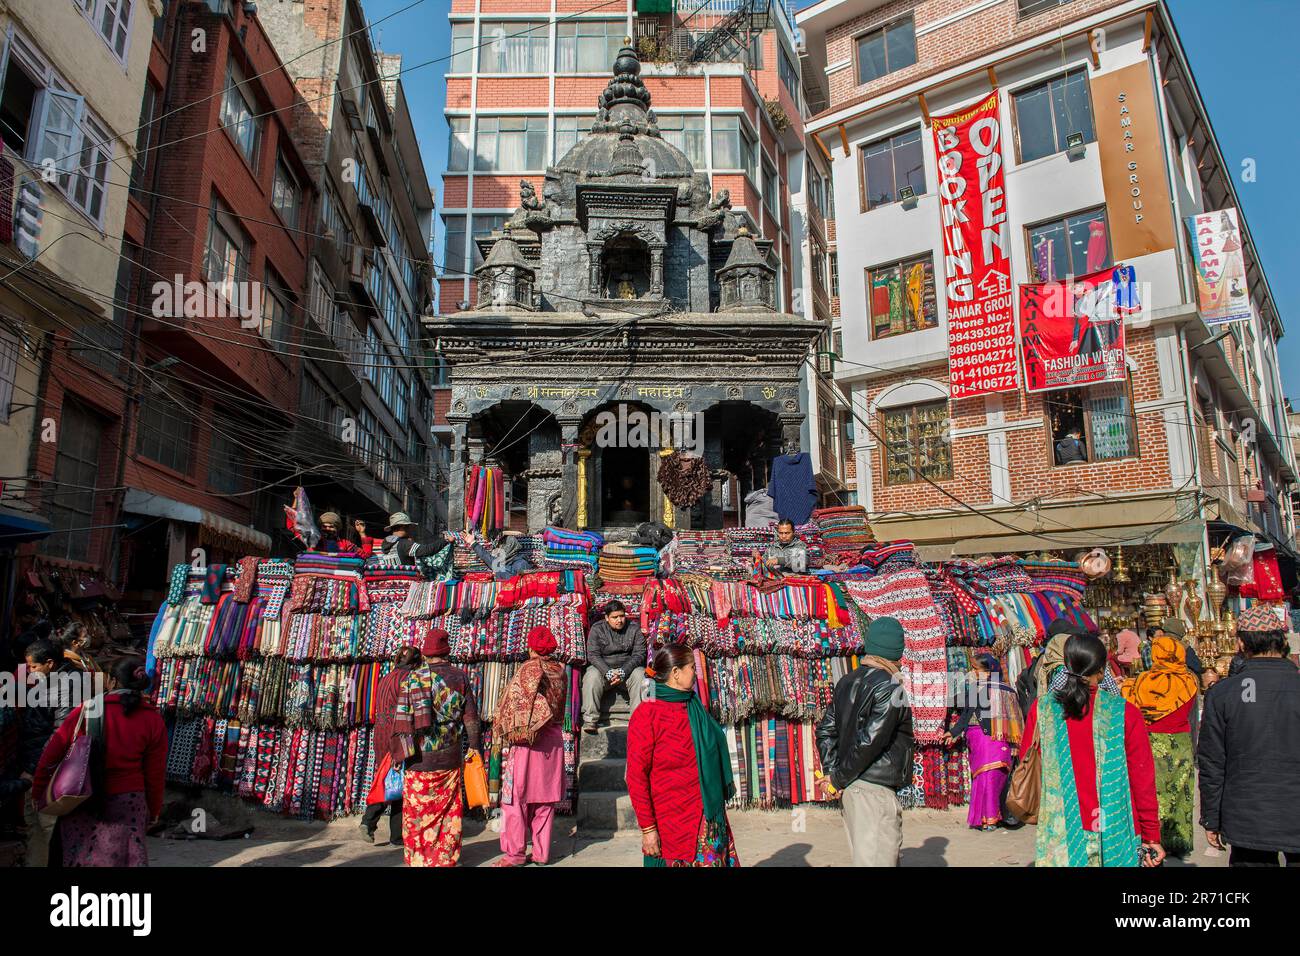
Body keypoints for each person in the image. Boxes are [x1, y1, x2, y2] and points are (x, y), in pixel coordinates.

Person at [1022, 633, 1163, 867]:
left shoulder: (1042, 709)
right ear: (1102, 670)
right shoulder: (1124, 712)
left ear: (1067, 665)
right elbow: (1142, 778)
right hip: (1113, 830)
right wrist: (1151, 835)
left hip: (1061, 830)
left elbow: (1030, 760)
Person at [32, 656, 166, 867]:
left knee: (81, 857)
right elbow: (155, 772)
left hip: (84, 796)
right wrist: (154, 808)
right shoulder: (152, 719)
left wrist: (38, 790)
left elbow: (52, 753)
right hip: (130, 803)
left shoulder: (89, 709)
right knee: (125, 858)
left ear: (112, 682)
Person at [1198, 604, 1300, 866]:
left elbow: (1212, 763)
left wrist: (1211, 817)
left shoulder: (1222, 693)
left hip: (1247, 816)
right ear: (1282, 641)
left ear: (1242, 644)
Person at [625, 643, 738, 867]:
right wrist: (648, 829)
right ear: (676, 673)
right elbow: (636, 777)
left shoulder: (694, 706)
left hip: (706, 818)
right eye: (691, 669)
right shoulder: (647, 714)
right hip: (670, 822)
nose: (696, 675)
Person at [815, 617, 914, 866]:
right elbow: (870, 741)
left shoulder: (846, 682)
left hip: (853, 790)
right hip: (875, 790)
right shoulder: (891, 688)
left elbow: (826, 731)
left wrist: (833, 774)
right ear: (897, 652)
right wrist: (836, 778)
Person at [393, 628, 481, 867]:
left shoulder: (412, 679)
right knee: (447, 812)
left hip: (418, 759)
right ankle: (443, 859)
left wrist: (401, 754)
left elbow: (404, 720)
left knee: (418, 814)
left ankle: (420, 859)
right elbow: (471, 718)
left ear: (426, 652)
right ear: (446, 650)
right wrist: (474, 747)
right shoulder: (459, 677)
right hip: (449, 758)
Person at [492, 625, 567, 867]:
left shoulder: (529, 669)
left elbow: (513, 703)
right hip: (552, 741)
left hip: (528, 742)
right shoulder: (560, 671)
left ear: (532, 646)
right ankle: (542, 853)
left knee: (515, 800)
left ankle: (514, 855)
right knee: (544, 801)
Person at [1121, 635, 1198, 858]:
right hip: (1180, 745)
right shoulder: (1189, 681)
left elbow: (1130, 702)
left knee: (1152, 792)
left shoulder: (1142, 682)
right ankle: (1179, 841)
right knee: (1180, 792)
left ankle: (1153, 838)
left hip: (1151, 743)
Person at [18, 638, 87, 867]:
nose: (30, 671)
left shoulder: (66, 685)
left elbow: (60, 734)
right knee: (37, 827)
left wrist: (33, 769)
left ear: (49, 663)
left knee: (45, 825)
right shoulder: (60, 681)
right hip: (44, 764)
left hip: (50, 769)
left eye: (33, 667)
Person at [945, 654, 1022, 831]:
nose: (972, 672)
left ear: (988, 673)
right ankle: (986, 818)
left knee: (993, 778)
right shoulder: (974, 689)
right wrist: (953, 732)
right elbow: (965, 717)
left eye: (976, 669)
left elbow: (1014, 720)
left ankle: (992, 818)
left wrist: (1015, 744)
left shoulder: (1006, 691)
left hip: (996, 740)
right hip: (978, 739)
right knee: (982, 778)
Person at [360, 645, 420, 846]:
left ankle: (397, 835)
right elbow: (407, 713)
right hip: (398, 734)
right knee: (394, 780)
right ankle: (369, 820)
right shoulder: (408, 680)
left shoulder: (386, 678)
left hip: (381, 734)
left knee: (394, 781)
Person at [581, 601, 647, 733]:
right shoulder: (597, 629)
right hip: (604, 671)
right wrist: (608, 672)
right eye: (614, 617)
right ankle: (590, 720)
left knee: (642, 675)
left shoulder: (634, 629)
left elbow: (640, 654)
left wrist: (623, 671)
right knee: (591, 676)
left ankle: (639, 721)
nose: (619, 620)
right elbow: (593, 655)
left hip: (627, 672)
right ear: (606, 618)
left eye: (622, 616)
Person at [463, 530, 533, 579]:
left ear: (509, 547)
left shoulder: (522, 564)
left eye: (502, 547)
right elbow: (487, 557)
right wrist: (473, 542)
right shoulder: (503, 562)